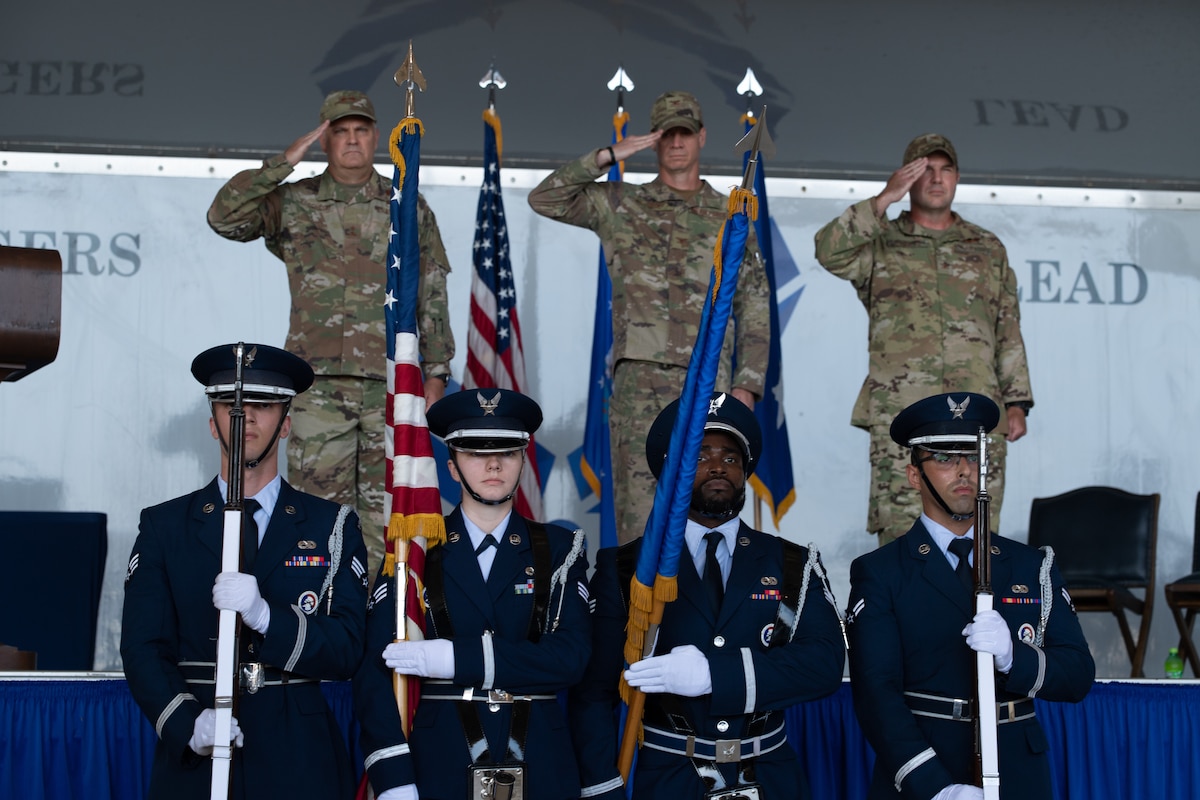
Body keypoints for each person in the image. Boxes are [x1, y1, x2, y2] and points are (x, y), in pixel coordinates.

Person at [207, 89, 454, 571]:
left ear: (376, 136)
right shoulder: (295, 201)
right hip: (317, 385)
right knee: (318, 516)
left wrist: (437, 375)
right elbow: (224, 218)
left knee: (388, 515)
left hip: (391, 383)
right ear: (325, 140)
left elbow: (431, 289)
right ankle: (323, 624)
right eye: (340, 132)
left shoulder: (405, 203)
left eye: (361, 130)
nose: (352, 140)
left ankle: (383, 627)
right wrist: (283, 162)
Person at [121, 343, 368, 799]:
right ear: (212, 424)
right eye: (231, 406)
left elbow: (348, 647)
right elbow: (142, 648)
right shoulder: (165, 525)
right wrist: (186, 721)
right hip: (200, 750)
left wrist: (267, 617)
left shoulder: (332, 525)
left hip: (298, 755)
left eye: (263, 406)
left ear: (287, 423)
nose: (246, 418)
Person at [570, 392, 846, 799]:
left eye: (731, 458)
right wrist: (602, 786)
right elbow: (594, 694)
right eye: (700, 456)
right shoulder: (627, 567)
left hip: (770, 778)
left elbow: (823, 665)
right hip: (668, 780)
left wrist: (715, 676)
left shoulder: (792, 562)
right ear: (671, 473)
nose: (719, 466)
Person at [528, 90, 771, 545]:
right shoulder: (622, 204)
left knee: (708, 507)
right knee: (640, 515)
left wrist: (746, 386)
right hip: (640, 382)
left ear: (701, 137)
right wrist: (607, 155)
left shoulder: (730, 213)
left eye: (685, 132)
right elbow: (545, 198)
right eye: (667, 134)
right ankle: (639, 616)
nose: (677, 142)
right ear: (655, 141)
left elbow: (754, 303)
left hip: (709, 383)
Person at [845, 392, 1093, 800]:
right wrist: (937, 788)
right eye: (944, 459)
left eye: (972, 457)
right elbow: (877, 697)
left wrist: (1016, 657)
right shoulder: (881, 572)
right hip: (923, 772)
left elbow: (1078, 675)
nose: (963, 471)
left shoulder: (1031, 565)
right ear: (913, 475)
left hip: (1017, 769)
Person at [353, 389, 592, 800]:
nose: (494, 464)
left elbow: (571, 658)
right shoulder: (414, 551)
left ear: (523, 461)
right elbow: (374, 674)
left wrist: (456, 658)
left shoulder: (560, 547)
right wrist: (392, 778)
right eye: (476, 452)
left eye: (508, 452)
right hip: (439, 762)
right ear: (452, 466)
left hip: (540, 762)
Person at [814, 133, 1034, 545]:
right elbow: (829, 252)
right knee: (902, 539)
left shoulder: (986, 247)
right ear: (907, 178)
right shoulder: (879, 242)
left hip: (977, 418)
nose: (936, 178)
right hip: (905, 420)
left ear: (957, 177)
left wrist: (1017, 403)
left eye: (945, 169)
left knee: (979, 541)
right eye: (924, 170)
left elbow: (1007, 326)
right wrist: (884, 198)